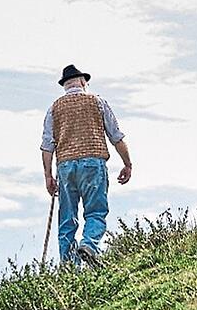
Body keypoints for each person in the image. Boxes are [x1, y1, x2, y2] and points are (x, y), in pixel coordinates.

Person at [40, 64, 132, 265]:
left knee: (67, 219)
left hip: (65, 167)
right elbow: (116, 136)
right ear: (83, 82)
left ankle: (69, 268)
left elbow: (47, 146)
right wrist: (127, 164)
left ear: (65, 85)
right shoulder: (97, 102)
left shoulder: (54, 108)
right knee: (96, 211)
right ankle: (89, 244)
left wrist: (48, 176)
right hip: (93, 163)